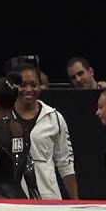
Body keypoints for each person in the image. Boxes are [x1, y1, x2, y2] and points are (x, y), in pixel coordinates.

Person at [13, 64, 78, 200]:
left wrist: (75, 201)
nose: (28, 89)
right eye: (23, 85)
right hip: (13, 197)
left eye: (34, 84)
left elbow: (65, 164)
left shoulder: (54, 118)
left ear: (41, 86)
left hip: (48, 197)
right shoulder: (4, 116)